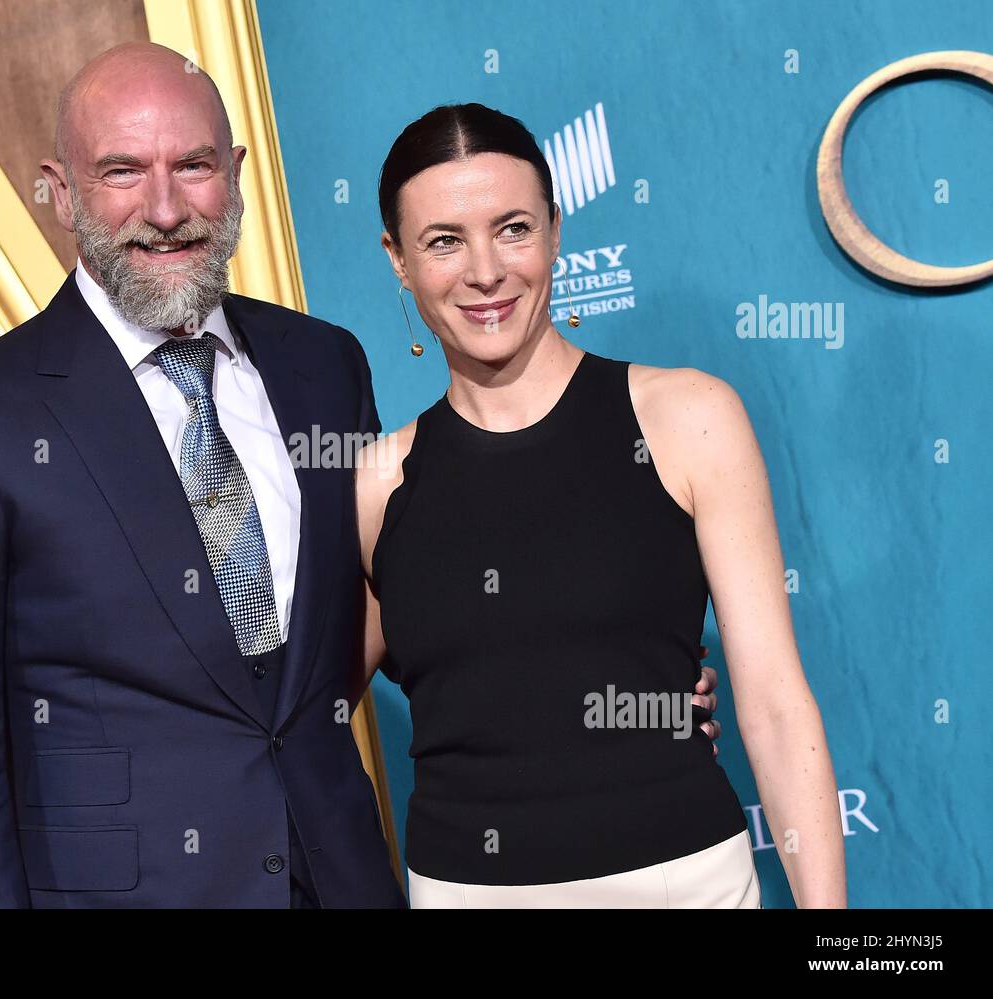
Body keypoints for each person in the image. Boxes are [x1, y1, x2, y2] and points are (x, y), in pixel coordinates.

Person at [0, 42, 416, 908]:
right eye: (122, 171)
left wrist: (597, 667)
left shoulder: (324, 366)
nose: (163, 209)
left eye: (192, 165)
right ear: (61, 188)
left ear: (234, 173)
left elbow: (398, 604)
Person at [356, 103, 847, 908]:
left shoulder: (689, 416)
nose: (484, 270)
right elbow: (299, 714)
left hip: (687, 884)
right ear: (398, 260)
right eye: (444, 240)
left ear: (555, 229)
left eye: (512, 227)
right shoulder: (375, 482)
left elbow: (777, 706)